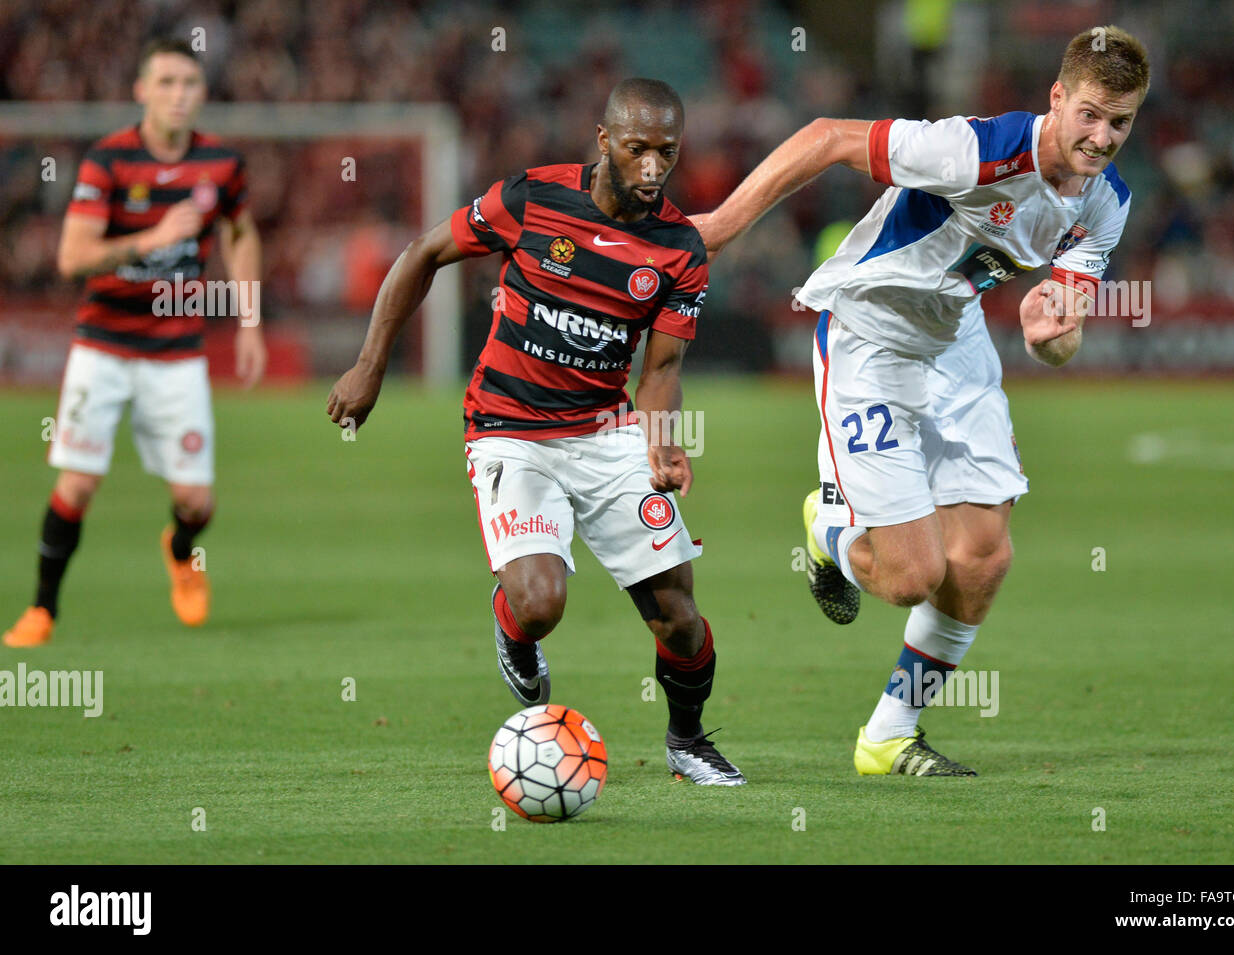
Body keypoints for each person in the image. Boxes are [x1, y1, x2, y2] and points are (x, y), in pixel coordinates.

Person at [695, 26, 1147, 775]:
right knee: (910, 575)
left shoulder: (1106, 204)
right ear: (1059, 97)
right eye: (1091, 114)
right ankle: (828, 525)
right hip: (869, 333)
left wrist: (1049, 332)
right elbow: (828, 136)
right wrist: (718, 227)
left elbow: (1060, 333)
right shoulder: (974, 150)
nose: (1102, 137)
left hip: (955, 333)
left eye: (1121, 121)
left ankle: (888, 735)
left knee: (983, 555)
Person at [327, 78, 744, 786]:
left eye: (666, 153)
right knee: (541, 602)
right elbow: (422, 253)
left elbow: (662, 367)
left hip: (605, 428)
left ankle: (687, 739)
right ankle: (514, 629)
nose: (651, 167)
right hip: (508, 426)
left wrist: (661, 441)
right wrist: (371, 365)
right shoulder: (533, 199)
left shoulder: (679, 251)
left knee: (679, 614)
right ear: (604, 138)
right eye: (637, 148)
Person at [3, 38, 266, 648]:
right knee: (77, 484)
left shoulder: (223, 165)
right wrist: (148, 239)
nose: (179, 95)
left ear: (203, 93)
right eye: (167, 83)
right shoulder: (108, 161)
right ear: (141, 91)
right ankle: (42, 610)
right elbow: (72, 258)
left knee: (196, 502)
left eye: (190, 84)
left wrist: (249, 319)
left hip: (176, 352)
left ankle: (179, 550)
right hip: (104, 346)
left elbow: (243, 233)